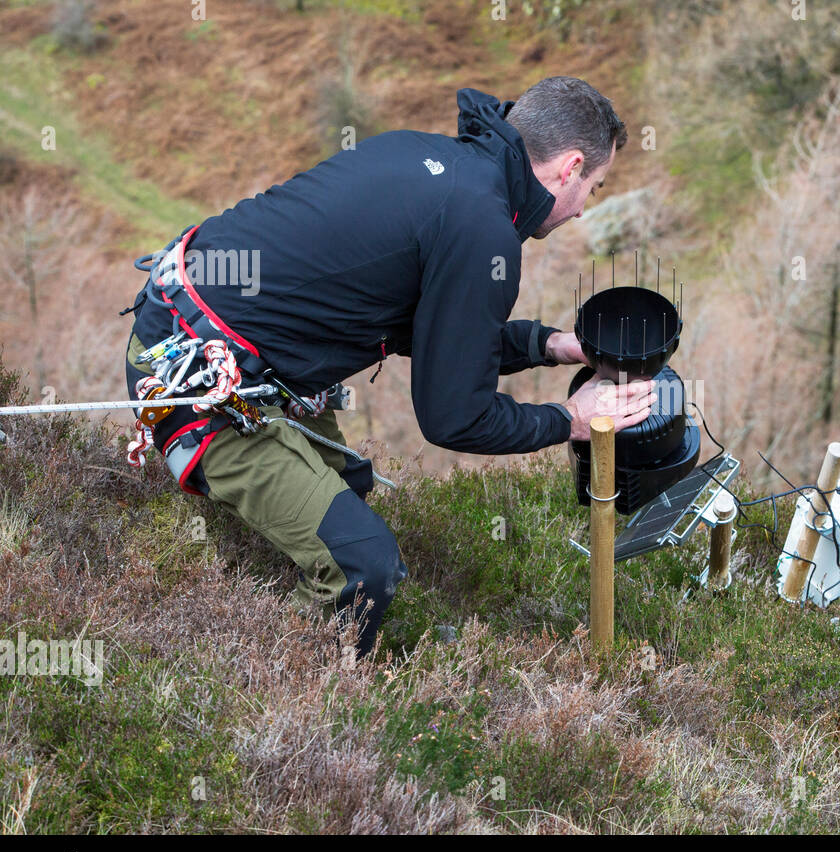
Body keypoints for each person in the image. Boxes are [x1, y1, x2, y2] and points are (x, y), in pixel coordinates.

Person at [119, 76, 657, 657]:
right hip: (194, 387)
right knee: (365, 567)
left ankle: (306, 614)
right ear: (570, 167)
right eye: (593, 190)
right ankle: (278, 692)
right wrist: (570, 420)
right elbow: (456, 419)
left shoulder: (430, 160)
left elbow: (434, 332)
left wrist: (550, 345)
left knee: (350, 484)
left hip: (187, 323)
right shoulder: (483, 229)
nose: (582, 212)